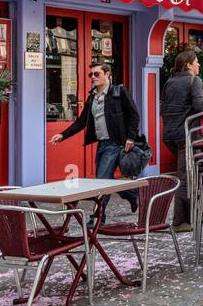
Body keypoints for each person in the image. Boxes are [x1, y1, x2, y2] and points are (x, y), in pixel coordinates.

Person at [51, 61, 140, 218]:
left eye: (96, 74)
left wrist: (131, 137)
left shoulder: (119, 92)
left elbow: (134, 116)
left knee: (101, 182)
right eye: (90, 74)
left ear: (107, 75)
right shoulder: (92, 97)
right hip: (102, 145)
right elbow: (81, 121)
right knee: (106, 180)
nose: (93, 77)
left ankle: (98, 217)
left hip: (116, 144)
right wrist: (63, 135)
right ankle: (131, 194)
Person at [161, 50, 203, 228]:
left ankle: (185, 218)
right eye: (196, 62)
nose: (199, 65)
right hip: (187, 135)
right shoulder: (194, 80)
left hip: (170, 135)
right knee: (186, 177)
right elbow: (199, 105)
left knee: (184, 173)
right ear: (188, 65)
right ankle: (181, 221)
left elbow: (164, 108)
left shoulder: (169, 82)